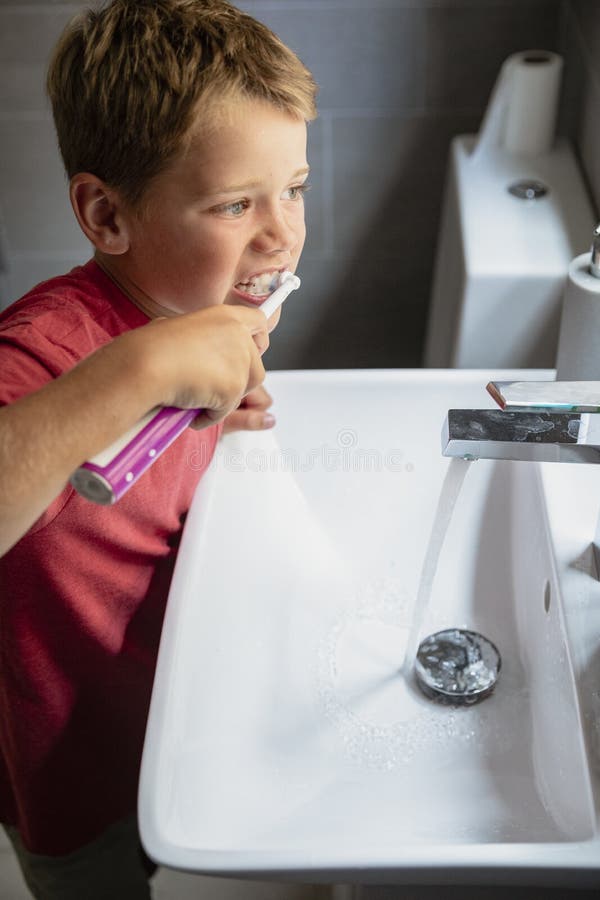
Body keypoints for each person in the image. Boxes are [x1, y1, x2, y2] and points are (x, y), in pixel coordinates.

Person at [0, 1, 317, 896]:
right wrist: (133, 372)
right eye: (233, 204)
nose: (282, 233)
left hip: (166, 705)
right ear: (106, 216)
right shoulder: (50, 346)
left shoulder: (200, 310)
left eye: (292, 187)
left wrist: (212, 428)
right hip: (67, 754)